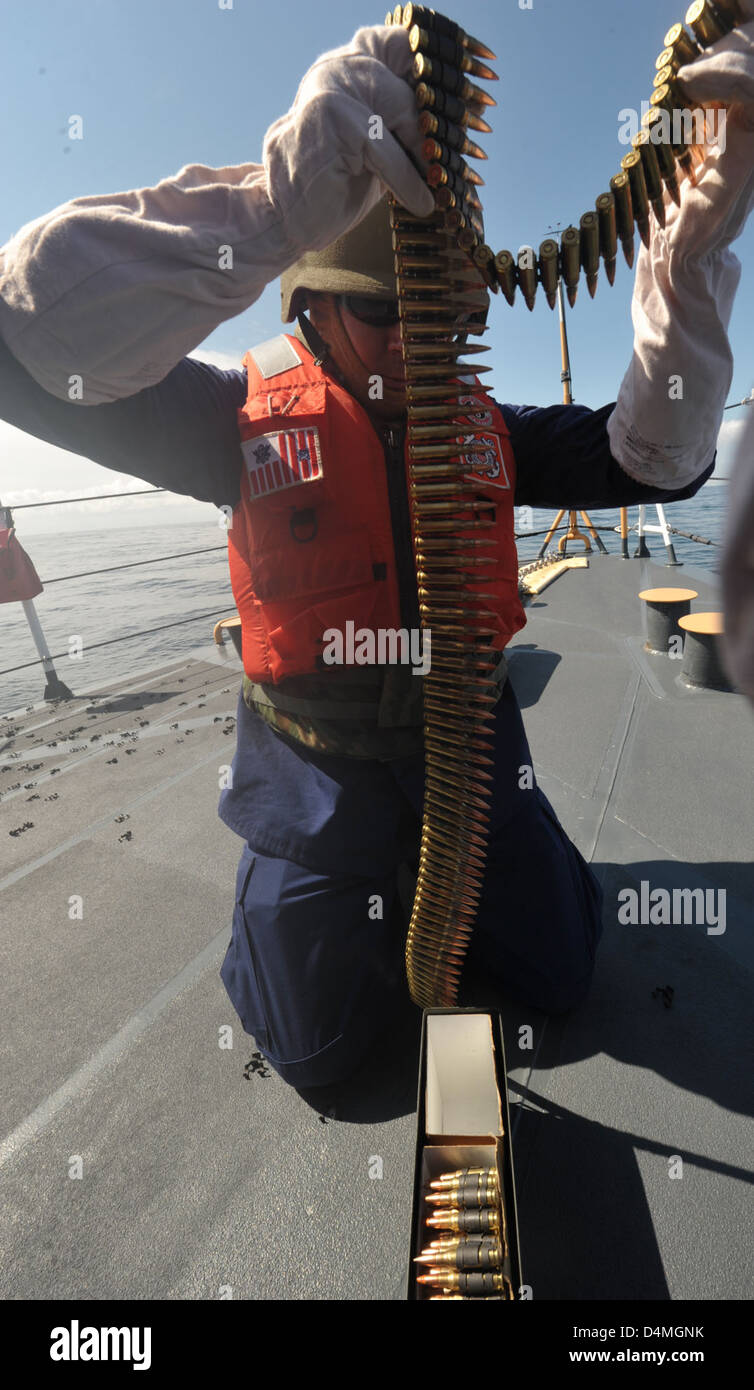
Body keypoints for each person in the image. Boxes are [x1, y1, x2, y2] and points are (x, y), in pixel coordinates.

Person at [1, 22, 752, 1090]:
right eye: (379, 310)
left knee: (560, 967)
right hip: (311, 762)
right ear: (307, 305)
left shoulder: (492, 426)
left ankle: (498, 872)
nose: (413, 340)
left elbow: (657, 465)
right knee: (314, 1044)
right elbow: (22, 345)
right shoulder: (229, 417)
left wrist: (690, 251)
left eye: (440, 317)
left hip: (473, 749)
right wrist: (267, 206)